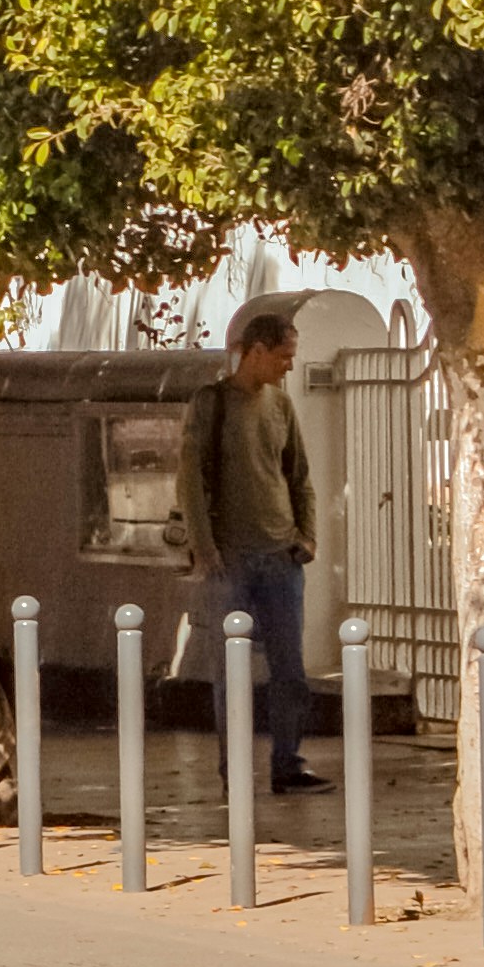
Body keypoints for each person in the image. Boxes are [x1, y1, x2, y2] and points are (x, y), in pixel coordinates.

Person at [175, 306, 318, 796]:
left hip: (282, 556)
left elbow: (299, 477)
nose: (289, 366)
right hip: (230, 559)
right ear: (255, 352)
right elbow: (190, 480)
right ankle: (232, 768)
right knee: (230, 671)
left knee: (290, 672)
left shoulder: (280, 406)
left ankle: (288, 763)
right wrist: (205, 547)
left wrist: (307, 535)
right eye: (283, 356)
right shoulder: (211, 403)